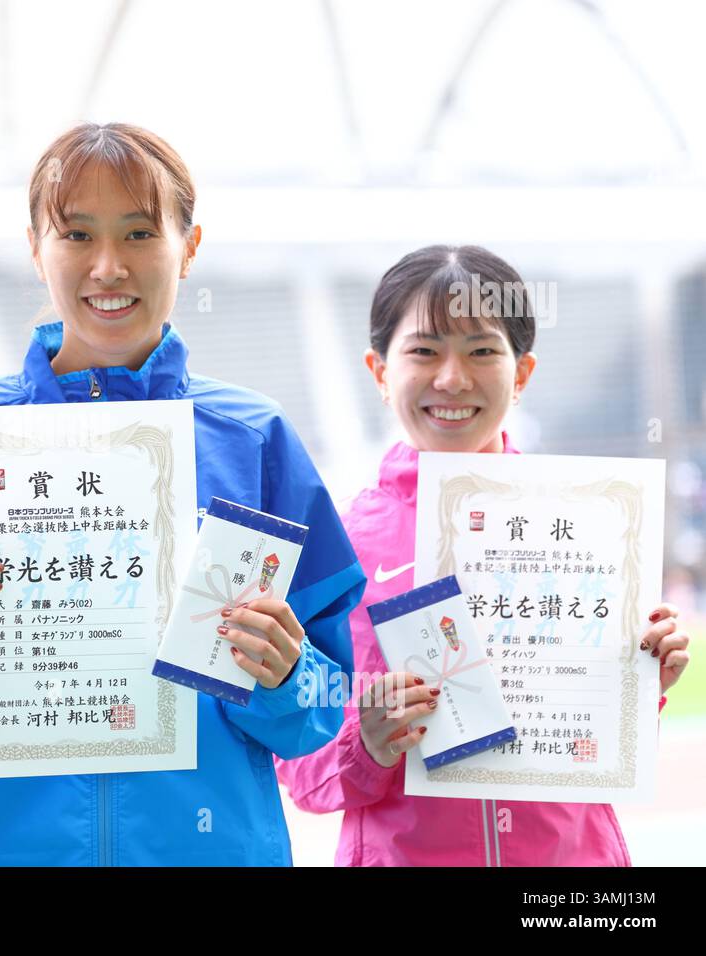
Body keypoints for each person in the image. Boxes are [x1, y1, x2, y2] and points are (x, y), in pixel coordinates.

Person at [0, 123, 366, 865]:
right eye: (77, 235)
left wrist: (288, 675)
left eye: (140, 233)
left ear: (189, 245)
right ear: (35, 249)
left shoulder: (255, 442)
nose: (109, 267)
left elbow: (325, 710)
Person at [277, 245, 692, 866]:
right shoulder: (337, 546)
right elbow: (300, 764)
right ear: (379, 370)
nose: (452, 378)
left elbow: (591, 748)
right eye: (424, 350)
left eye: (481, 351)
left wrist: (639, 683)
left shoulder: (588, 527)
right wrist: (369, 744)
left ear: (521, 374)